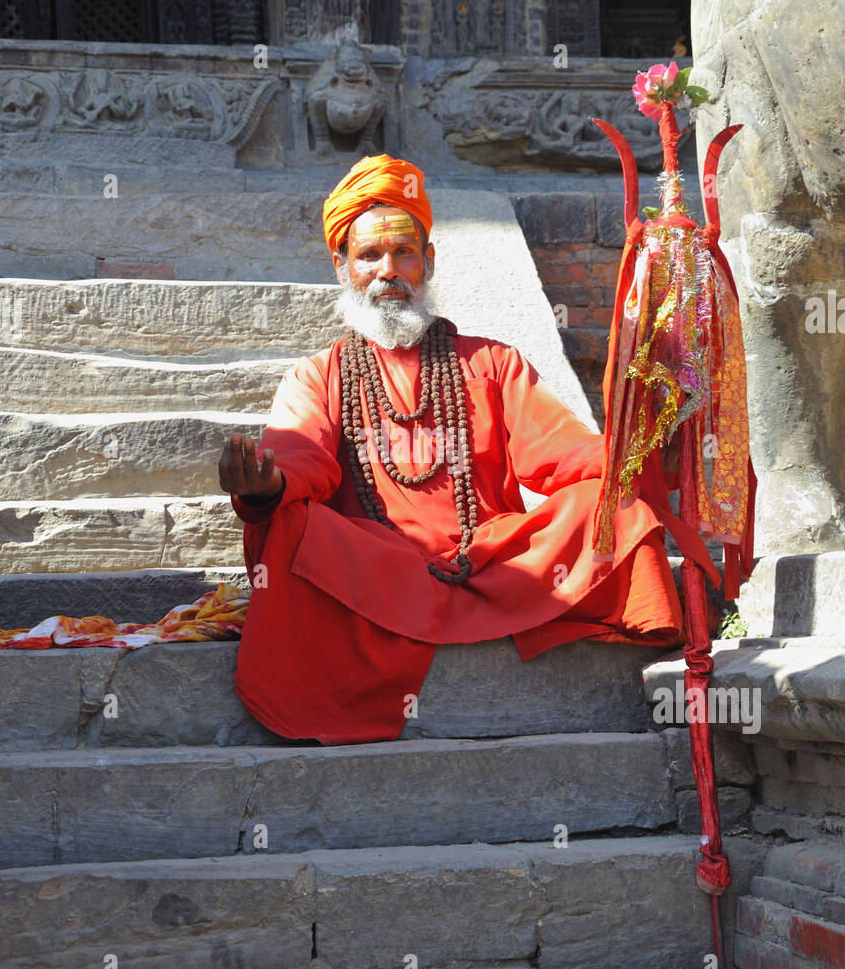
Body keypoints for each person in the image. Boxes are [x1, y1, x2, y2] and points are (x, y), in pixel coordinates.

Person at [217, 154, 688, 746]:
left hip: (491, 558)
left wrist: (638, 455)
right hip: (378, 567)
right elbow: (300, 455)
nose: (389, 271)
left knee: (607, 504)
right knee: (287, 523)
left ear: (428, 262)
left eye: (404, 253)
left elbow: (561, 451)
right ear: (342, 269)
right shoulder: (320, 374)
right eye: (369, 256)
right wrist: (269, 487)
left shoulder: (492, 361)